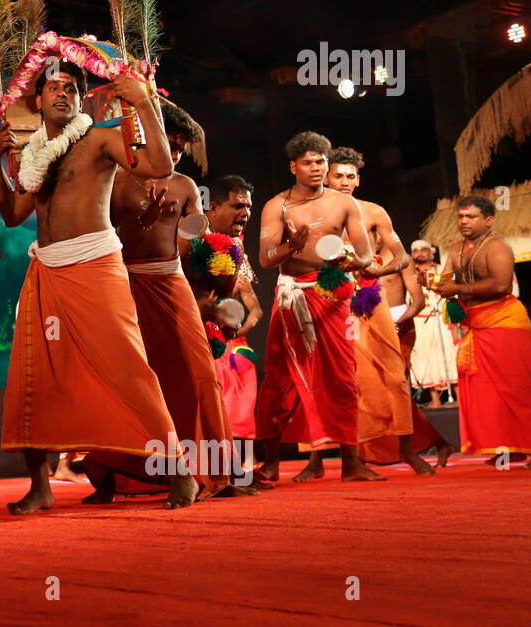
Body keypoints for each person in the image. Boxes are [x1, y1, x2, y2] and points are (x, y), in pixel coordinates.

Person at [0, 54, 192, 514]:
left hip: (96, 265)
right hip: (46, 270)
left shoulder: (100, 138)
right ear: (37, 100)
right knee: (34, 380)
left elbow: (158, 167)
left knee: (127, 367)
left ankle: (178, 469)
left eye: (72, 88)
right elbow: (13, 214)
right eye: (54, 87)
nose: (63, 93)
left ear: (81, 99)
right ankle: (41, 486)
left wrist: (142, 104)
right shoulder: (35, 151)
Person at [86, 100, 241, 501]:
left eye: (180, 148)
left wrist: (222, 265)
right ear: (144, 139)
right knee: (128, 379)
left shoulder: (186, 186)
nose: (174, 153)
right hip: (123, 284)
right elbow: (98, 239)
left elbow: (196, 247)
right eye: (168, 143)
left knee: (200, 374)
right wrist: (140, 222)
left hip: (172, 285)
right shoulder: (112, 180)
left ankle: (215, 472)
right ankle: (117, 476)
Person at [255, 131, 384, 483]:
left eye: (320, 162)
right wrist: (289, 247)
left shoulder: (344, 204)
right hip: (292, 295)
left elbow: (366, 255)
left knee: (342, 377)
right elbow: (266, 259)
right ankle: (270, 464)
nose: (315, 168)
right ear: (293, 166)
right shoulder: (276, 206)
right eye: (308, 162)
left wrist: (348, 261)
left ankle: (351, 463)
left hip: (332, 294)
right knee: (279, 382)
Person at [319, 148, 452, 475]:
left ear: (359, 179)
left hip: (371, 302)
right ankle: (345, 460)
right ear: (325, 177)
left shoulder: (373, 212)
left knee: (394, 378)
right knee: (345, 383)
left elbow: (402, 257)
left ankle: (408, 450)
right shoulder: (313, 214)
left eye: (351, 176)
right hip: (331, 301)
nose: (345, 181)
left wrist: (376, 273)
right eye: (339, 175)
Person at [424, 195, 531, 467]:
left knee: (517, 390)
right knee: (487, 393)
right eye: (461, 217)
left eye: (471, 217)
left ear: (488, 220)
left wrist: (458, 289)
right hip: (476, 325)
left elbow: (502, 284)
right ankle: (510, 449)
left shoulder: (497, 246)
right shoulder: (456, 249)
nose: (464, 221)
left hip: (505, 323)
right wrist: (434, 284)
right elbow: (446, 280)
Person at [203, 175, 264, 464]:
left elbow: (252, 308)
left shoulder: (236, 250)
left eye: (248, 207)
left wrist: (234, 328)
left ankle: (240, 466)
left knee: (241, 401)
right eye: (237, 205)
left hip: (228, 342)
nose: (245, 213)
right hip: (195, 334)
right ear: (212, 208)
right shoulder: (192, 241)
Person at [409, 240, 459, 406]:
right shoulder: (409, 274)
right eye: (415, 251)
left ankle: (459, 398)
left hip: (442, 320)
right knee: (425, 358)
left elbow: (453, 293)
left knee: (450, 356)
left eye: (423, 249)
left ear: (432, 251)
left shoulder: (443, 269)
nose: (419, 253)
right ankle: (435, 400)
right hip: (420, 321)